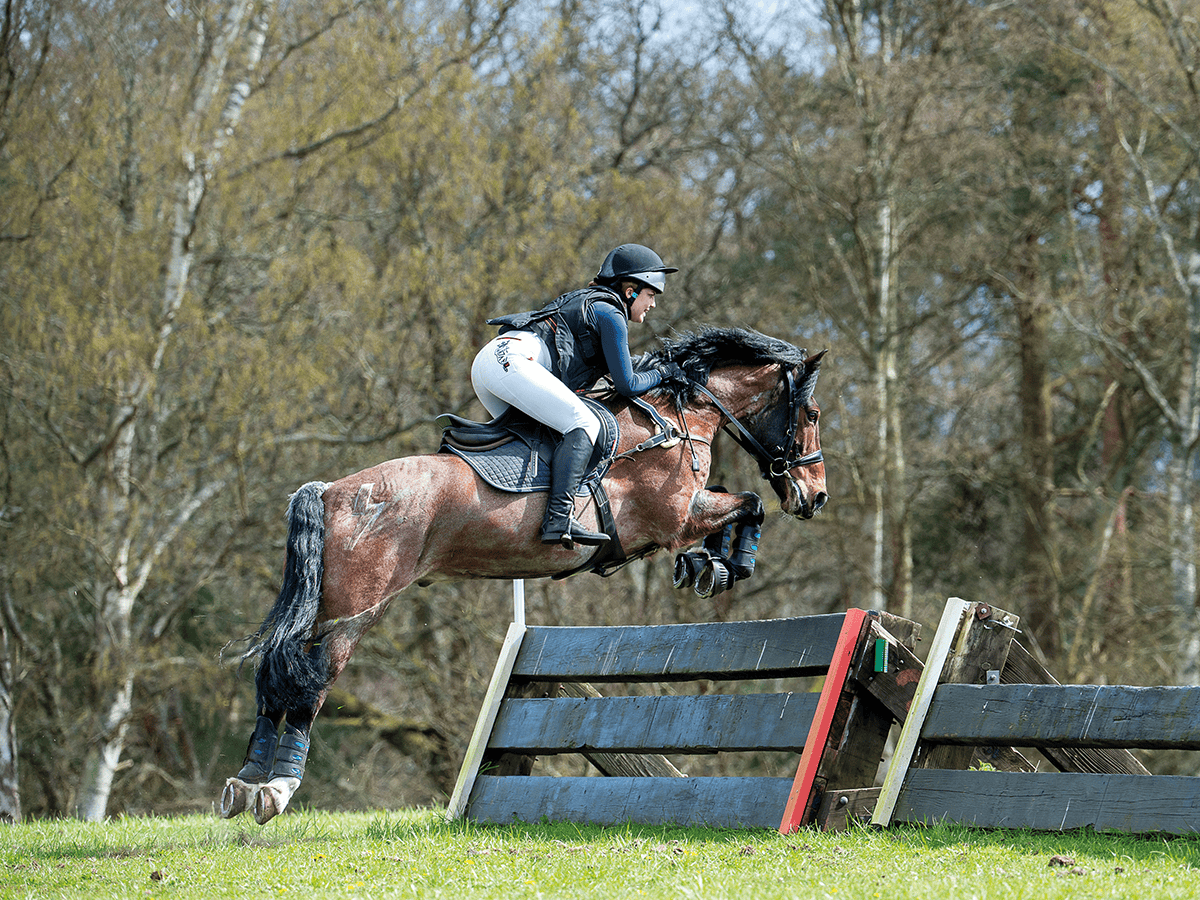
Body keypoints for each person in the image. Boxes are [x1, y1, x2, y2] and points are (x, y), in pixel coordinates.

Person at [472, 243, 683, 548]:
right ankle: (559, 519)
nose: (652, 305)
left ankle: (517, 512)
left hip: (489, 363)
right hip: (512, 362)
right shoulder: (610, 313)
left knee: (542, 438)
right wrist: (666, 373)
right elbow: (628, 385)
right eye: (650, 295)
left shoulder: (590, 302)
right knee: (585, 423)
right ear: (630, 290)